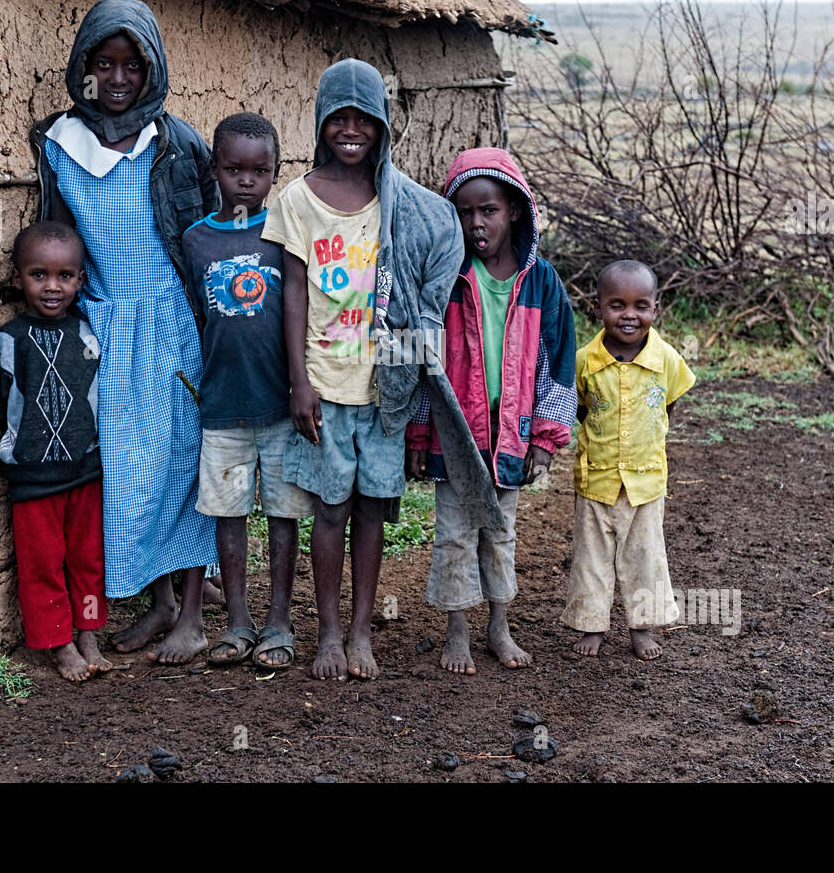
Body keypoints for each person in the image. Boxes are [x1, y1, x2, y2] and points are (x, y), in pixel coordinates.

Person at [262, 58, 502, 681]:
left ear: (381, 126)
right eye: (337, 118)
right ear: (320, 124)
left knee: (371, 510)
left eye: (362, 120)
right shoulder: (297, 200)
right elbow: (291, 293)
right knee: (329, 511)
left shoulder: (406, 205)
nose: (350, 131)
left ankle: (364, 631)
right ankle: (330, 635)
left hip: (386, 388)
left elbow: (435, 276)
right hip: (324, 384)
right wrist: (299, 382)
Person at [30, 0, 218, 666]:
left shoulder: (177, 142)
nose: (116, 78)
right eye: (102, 64)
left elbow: (209, 238)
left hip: (172, 321)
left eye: (130, 65)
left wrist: (218, 326)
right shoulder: (59, 145)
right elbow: (54, 237)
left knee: (187, 463)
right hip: (106, 326)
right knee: (127, 469)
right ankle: (160, 602)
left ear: (152, 68)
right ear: (82, 67)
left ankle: (193, 615)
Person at [406, 148, 576, 675]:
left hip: (512, 437)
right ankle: (456, 631)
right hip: (455, 436)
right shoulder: (447, 276)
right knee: (454, 532)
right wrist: (417, 432)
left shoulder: (542, 283)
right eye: (463, 212)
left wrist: (546, 439)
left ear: (517, 210)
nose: (476, 223)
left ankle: (499, 626)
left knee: (500, 533)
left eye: (489, 210)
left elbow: (558, 364)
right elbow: (421, 359)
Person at [183, 113, 311, 671]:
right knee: (228, 516)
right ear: (215, 169)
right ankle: (237, 622)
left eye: (259, 171)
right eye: (234, 169)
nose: (245, 182)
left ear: (275, 174)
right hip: (222, 408)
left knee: (283, 516)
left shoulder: (285, 234)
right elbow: (195, 312)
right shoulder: (196, 241)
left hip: (283, 406)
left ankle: (278, 621)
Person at [0, 221, 110, 682]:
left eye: (65, 276)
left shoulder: (90, 336)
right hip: (33, 480)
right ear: (18, 278)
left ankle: (89, 629)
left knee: (87, 558)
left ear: (80, 279)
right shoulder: (6, 343)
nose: (52, 287)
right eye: (39, 275)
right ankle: (59, 641)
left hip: (85, 472)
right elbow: (2, 407)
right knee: (42, 564)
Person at [561, 260, 695, 660]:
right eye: (617, 305)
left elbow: (669, 403)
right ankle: (591, 626)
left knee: (646, 559)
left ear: (656, 308)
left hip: (646, 482)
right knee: (591, 558)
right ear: (597, 307)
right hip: (596, 479)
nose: (629, 315)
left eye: (641, 305)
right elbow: (581, 408)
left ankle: (642, 628)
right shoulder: (585, 360)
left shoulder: (666, 359)